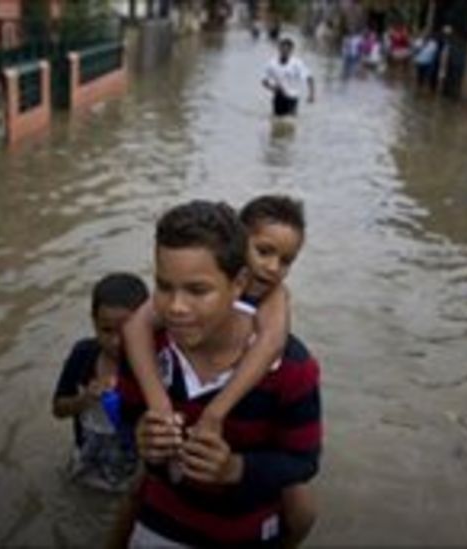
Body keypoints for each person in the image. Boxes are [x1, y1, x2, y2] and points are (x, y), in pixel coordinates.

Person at [118, 200, 323, 547]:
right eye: (164, 287)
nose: (177, 307)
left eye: (198, 291)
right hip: (159, 522)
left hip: (244, 531)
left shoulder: (291, 368)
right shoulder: (150, 346)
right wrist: (141, 434)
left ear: (239, 282)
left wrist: (236, 469)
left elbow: (303, 462)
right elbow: (128, 415)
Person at [52, 272, 148, 493]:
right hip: (88, 458)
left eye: (126, 330)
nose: (115, 341)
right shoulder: (83, 355)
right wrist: (84, 399)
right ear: (93, 322)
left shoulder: (154, 364)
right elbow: (58, 409)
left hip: (135, 468)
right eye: (106, 330)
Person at [262, 37, 315, 118]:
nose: (284, 51)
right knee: (277, 120)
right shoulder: (272, 63)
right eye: (282, 49)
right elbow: (264, 81)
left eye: (287, 50)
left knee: (289, 120)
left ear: (291, 50)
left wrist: (311, 95)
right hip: (278, 96)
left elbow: (309, 78)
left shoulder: (297, 63)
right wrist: (272, 88)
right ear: (279, 49)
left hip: (292, 97)